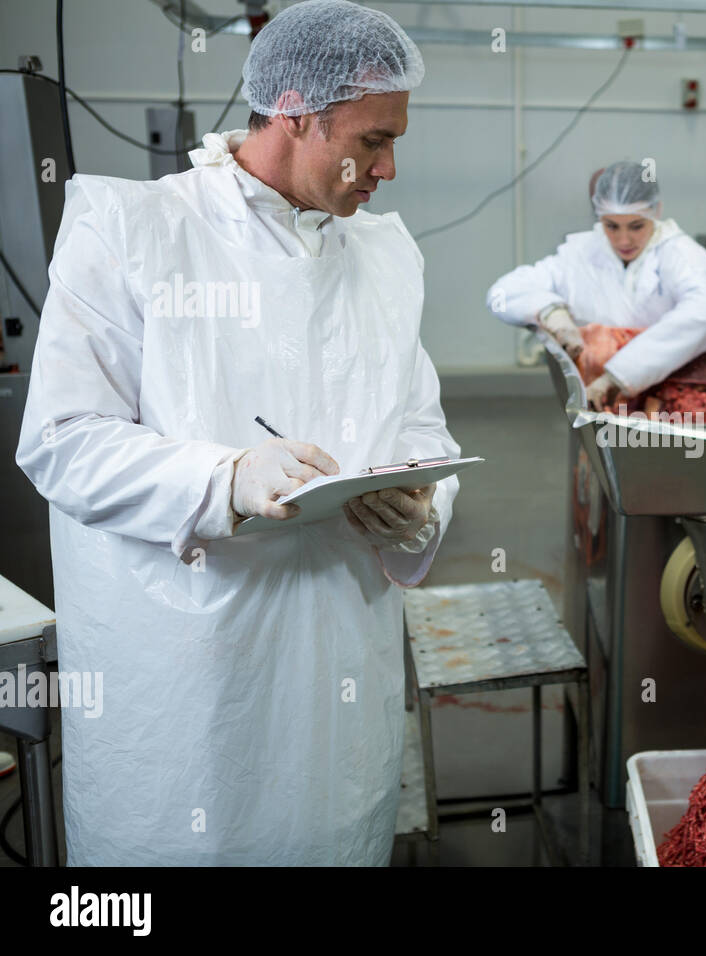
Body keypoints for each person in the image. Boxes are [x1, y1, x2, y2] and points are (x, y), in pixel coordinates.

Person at [15, 0, 458, 864]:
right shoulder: (135, 231)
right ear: (296, 111)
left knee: (335, 835)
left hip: (338, 661)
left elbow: (421, 426)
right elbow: (62, 440)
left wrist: (426, 501)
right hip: (188, 681)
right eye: (372, 140)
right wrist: (223, 480)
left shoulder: (385, 257)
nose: (390, 168)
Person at [486, 161, 706, 406]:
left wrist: (619, 375)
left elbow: (700, 315)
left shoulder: (682, 256)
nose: (623, 240)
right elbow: (504, 291)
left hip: (693, 397)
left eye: (636, 226)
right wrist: (552, 312)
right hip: (605, 399)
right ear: (599, 217)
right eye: (612, 226)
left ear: (656, 212)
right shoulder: (584, 252)